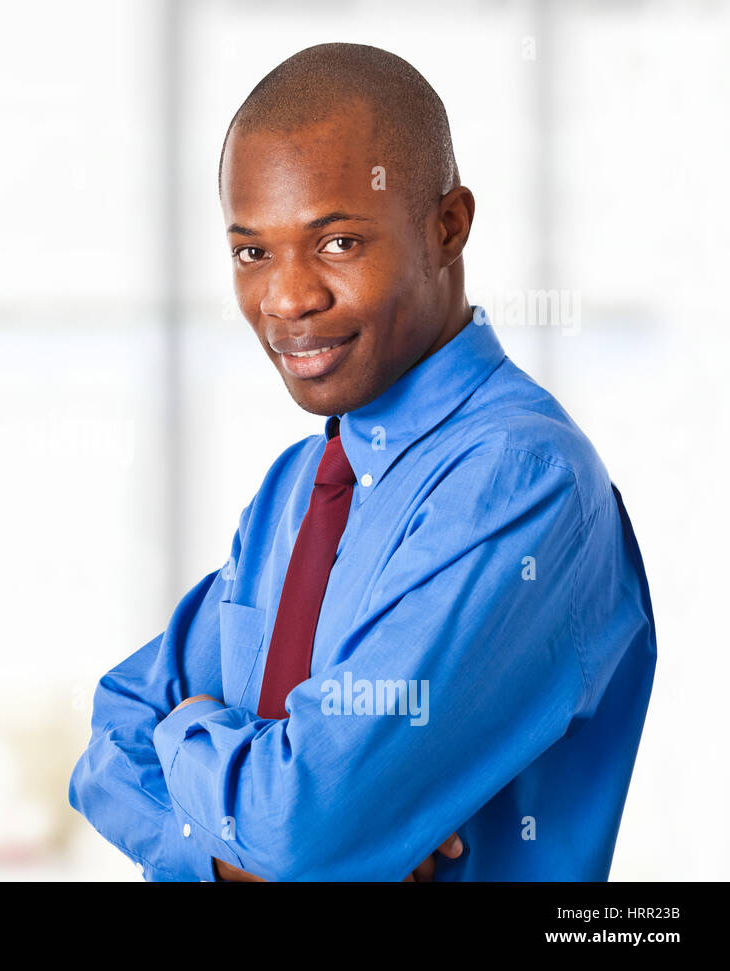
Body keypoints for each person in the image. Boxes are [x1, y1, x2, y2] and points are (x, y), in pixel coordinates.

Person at [67, 42, 657, 881]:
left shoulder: (525, 481)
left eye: (337, 242)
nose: (287, 298)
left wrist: (192, 726)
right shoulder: (295, 488)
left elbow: (303, 829)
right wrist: (231, 858)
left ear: (448, 226)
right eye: (251, 252)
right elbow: (108, 741)